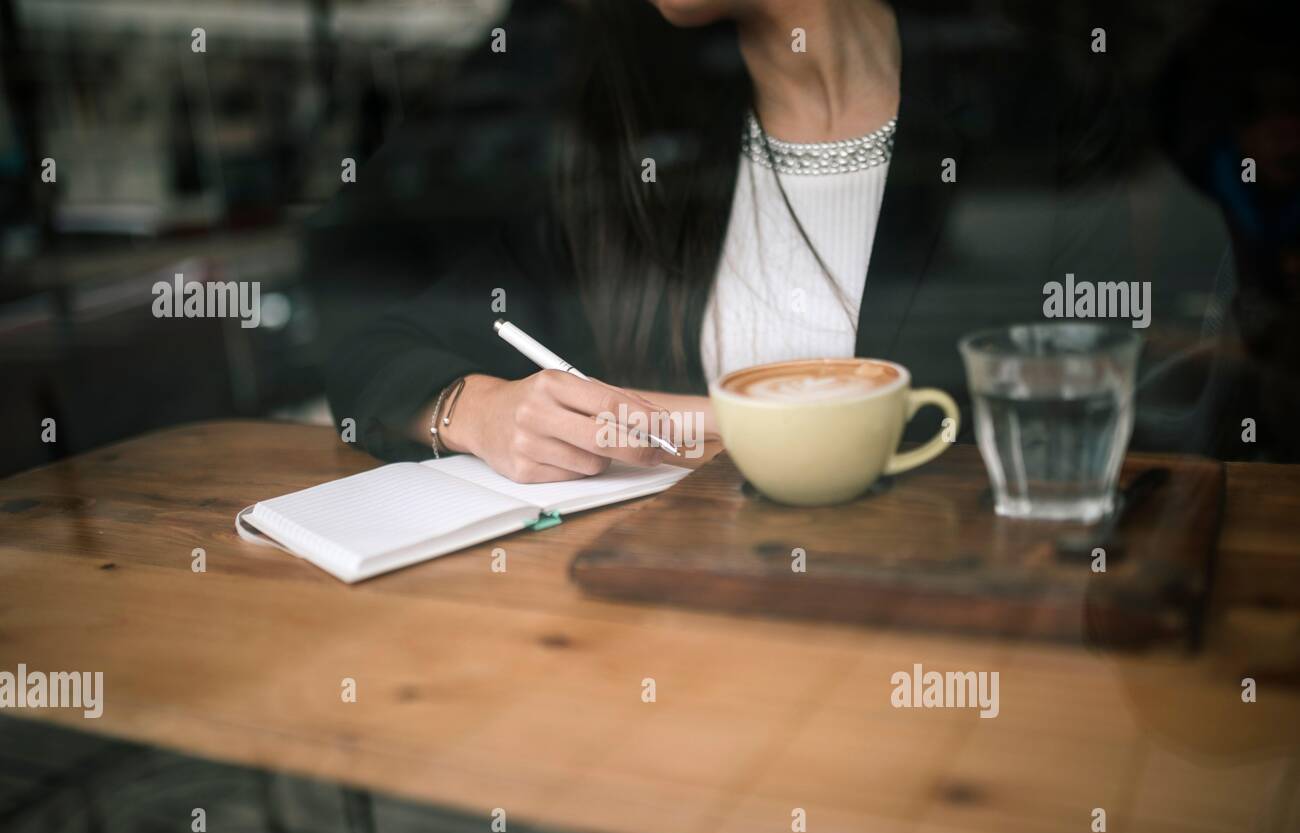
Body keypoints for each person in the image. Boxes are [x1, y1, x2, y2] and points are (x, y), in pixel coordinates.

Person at [326, 0, 1131, 480]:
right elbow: (365, 333)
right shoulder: (620, 127)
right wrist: (479, 411)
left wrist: (686, 426)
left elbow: (1091, 419)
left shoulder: (1031, 117)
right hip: (673, 646)